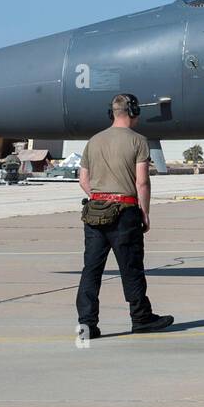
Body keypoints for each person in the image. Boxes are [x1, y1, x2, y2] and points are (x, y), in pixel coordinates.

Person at [76, 94, 173, 338]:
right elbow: (142, 181)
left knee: (91, 270)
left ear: (112, 112)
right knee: (131, 268)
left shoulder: (93, 141)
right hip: (124, 213)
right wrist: (145, 212)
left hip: (95, 212)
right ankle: (140, 318)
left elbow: (83, 180)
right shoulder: (138, 141)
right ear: (133, 111)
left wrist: (101, 196)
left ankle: (87, 324)